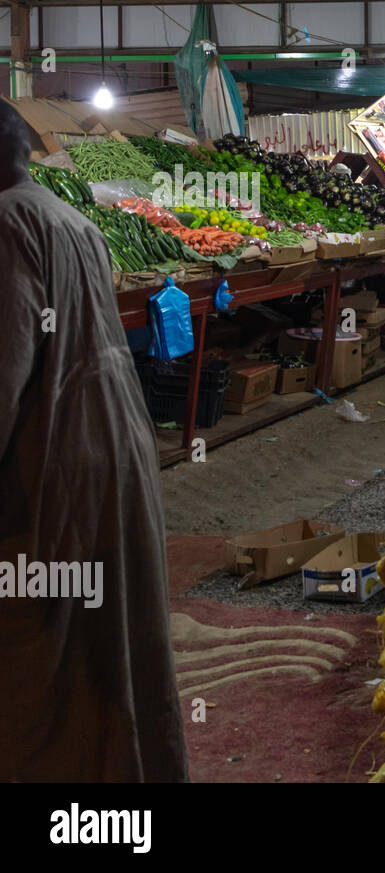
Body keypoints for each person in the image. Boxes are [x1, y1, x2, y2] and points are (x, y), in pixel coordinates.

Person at [0, 103, 188, 781]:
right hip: (114, 447)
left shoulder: (6, 225)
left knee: (48, 670)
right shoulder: (69, 219)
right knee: (118, 646)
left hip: (51, 461)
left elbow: (6, 369)